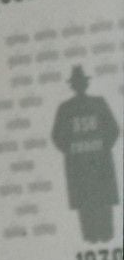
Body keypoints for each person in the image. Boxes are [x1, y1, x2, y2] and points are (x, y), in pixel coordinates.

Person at [51, 68, 121, 245]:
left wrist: (85, 148)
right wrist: (91, 147)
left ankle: (103, 238)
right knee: (88, 206)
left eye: (81, 83)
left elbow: (113, 130)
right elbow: (58, 137)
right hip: (87, 166)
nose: (80, 86)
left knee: (100, 205)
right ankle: (95, 238)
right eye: (78, 84)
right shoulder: (67, 108)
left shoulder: (87, 105)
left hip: (91, 165)